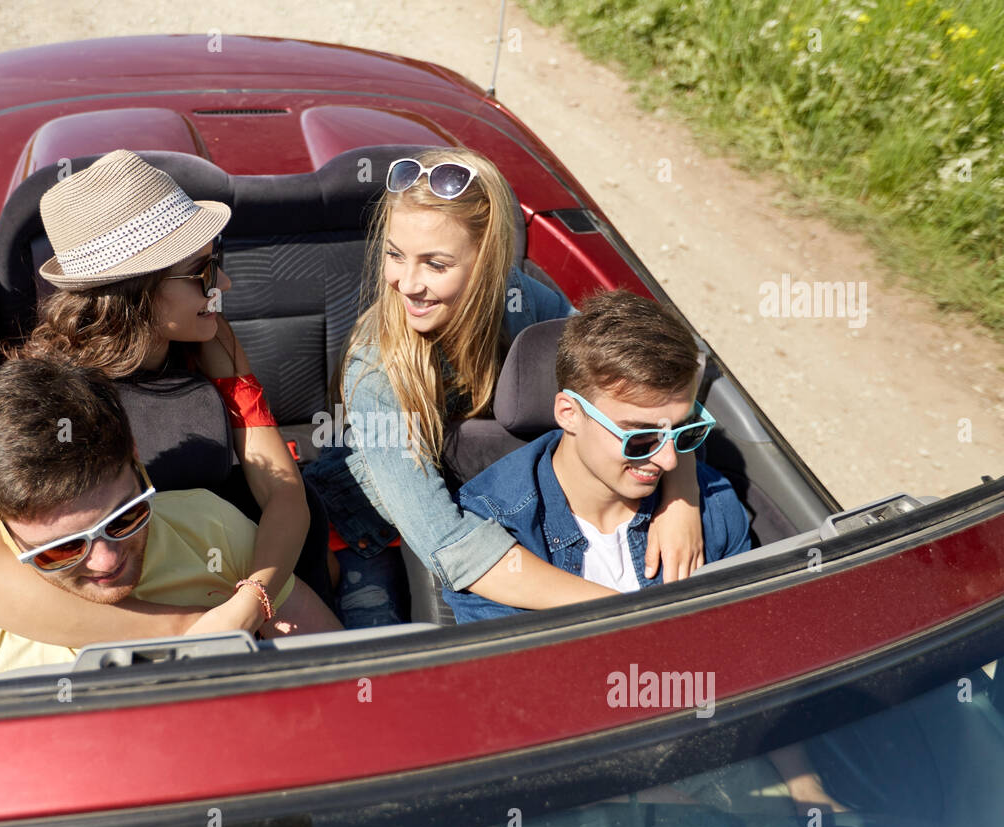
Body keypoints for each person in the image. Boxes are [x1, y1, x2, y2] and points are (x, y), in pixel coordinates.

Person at [302, 147, 708, 627]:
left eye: (435, 264)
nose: (406, 283)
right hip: (373, 527)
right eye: (395, 255)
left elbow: (639, 383)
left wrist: (682, 497)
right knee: (383, 663)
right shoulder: (377, 366)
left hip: (493, 503)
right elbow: (446, 543)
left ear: (488, 262)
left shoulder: (523, 300)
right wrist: (623, 612)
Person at [0, 150, 325, 646]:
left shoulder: (213, 341)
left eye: (218, 261)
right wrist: (188, 629)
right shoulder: (47, 397)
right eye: (203, 271)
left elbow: (284, 491)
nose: (223, 284)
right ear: (135, 291)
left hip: (247, 575)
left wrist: (252, 601)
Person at [0, 358, 340, 690]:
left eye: (127, 516)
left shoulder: (207, 527)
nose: (107, 560)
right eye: (59, 550)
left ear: (137, 460)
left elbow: (344, 675)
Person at [443, 290, 752, 622]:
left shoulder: (711, 506)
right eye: (640, 438)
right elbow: (514, 671)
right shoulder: (495, 531)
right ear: (569, 413)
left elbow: (745, 634)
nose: (669, 461)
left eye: (683, 431)